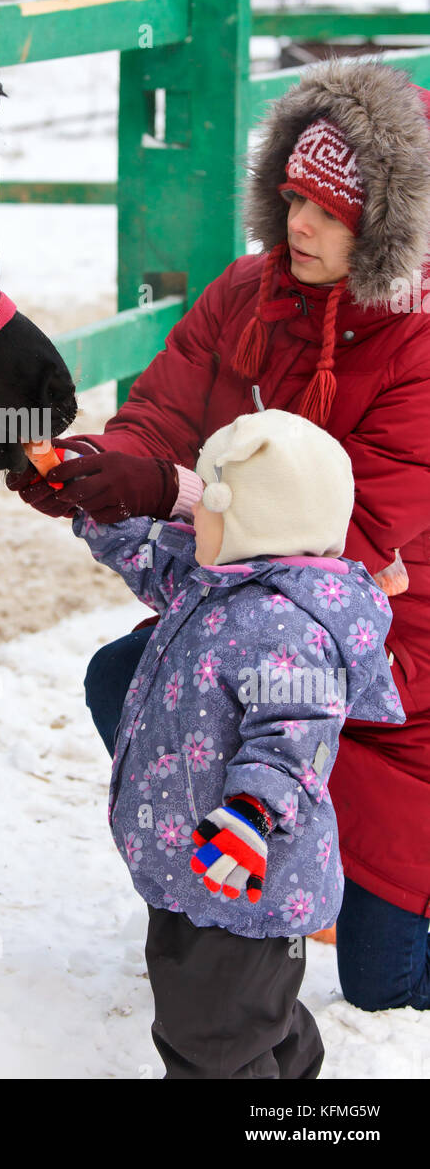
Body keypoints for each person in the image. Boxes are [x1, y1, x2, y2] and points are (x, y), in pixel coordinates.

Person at [8, 57, 430, 1013]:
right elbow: (163, 408)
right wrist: (99, 470)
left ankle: (314, 864)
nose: (302, 225)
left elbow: (347, 533)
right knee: (125, 675)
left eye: (334, 210)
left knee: (383, 983)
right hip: (258, 620)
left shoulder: (418, 344)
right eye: (293, 198)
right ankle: (238, 891)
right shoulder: (250, 295)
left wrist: (171, 489)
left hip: (393, 652)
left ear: (390, 224)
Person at [70, 408, 403, 1078]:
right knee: (245, 1013)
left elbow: (293, 740)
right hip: (203, 867)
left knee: (211, 1040)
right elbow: (144, 548)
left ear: (250, 521)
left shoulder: (286, 625)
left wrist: (251, 816)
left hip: (245, 868)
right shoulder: (213, 579)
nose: (192, 525)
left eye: (206, 507)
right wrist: (85, 500)